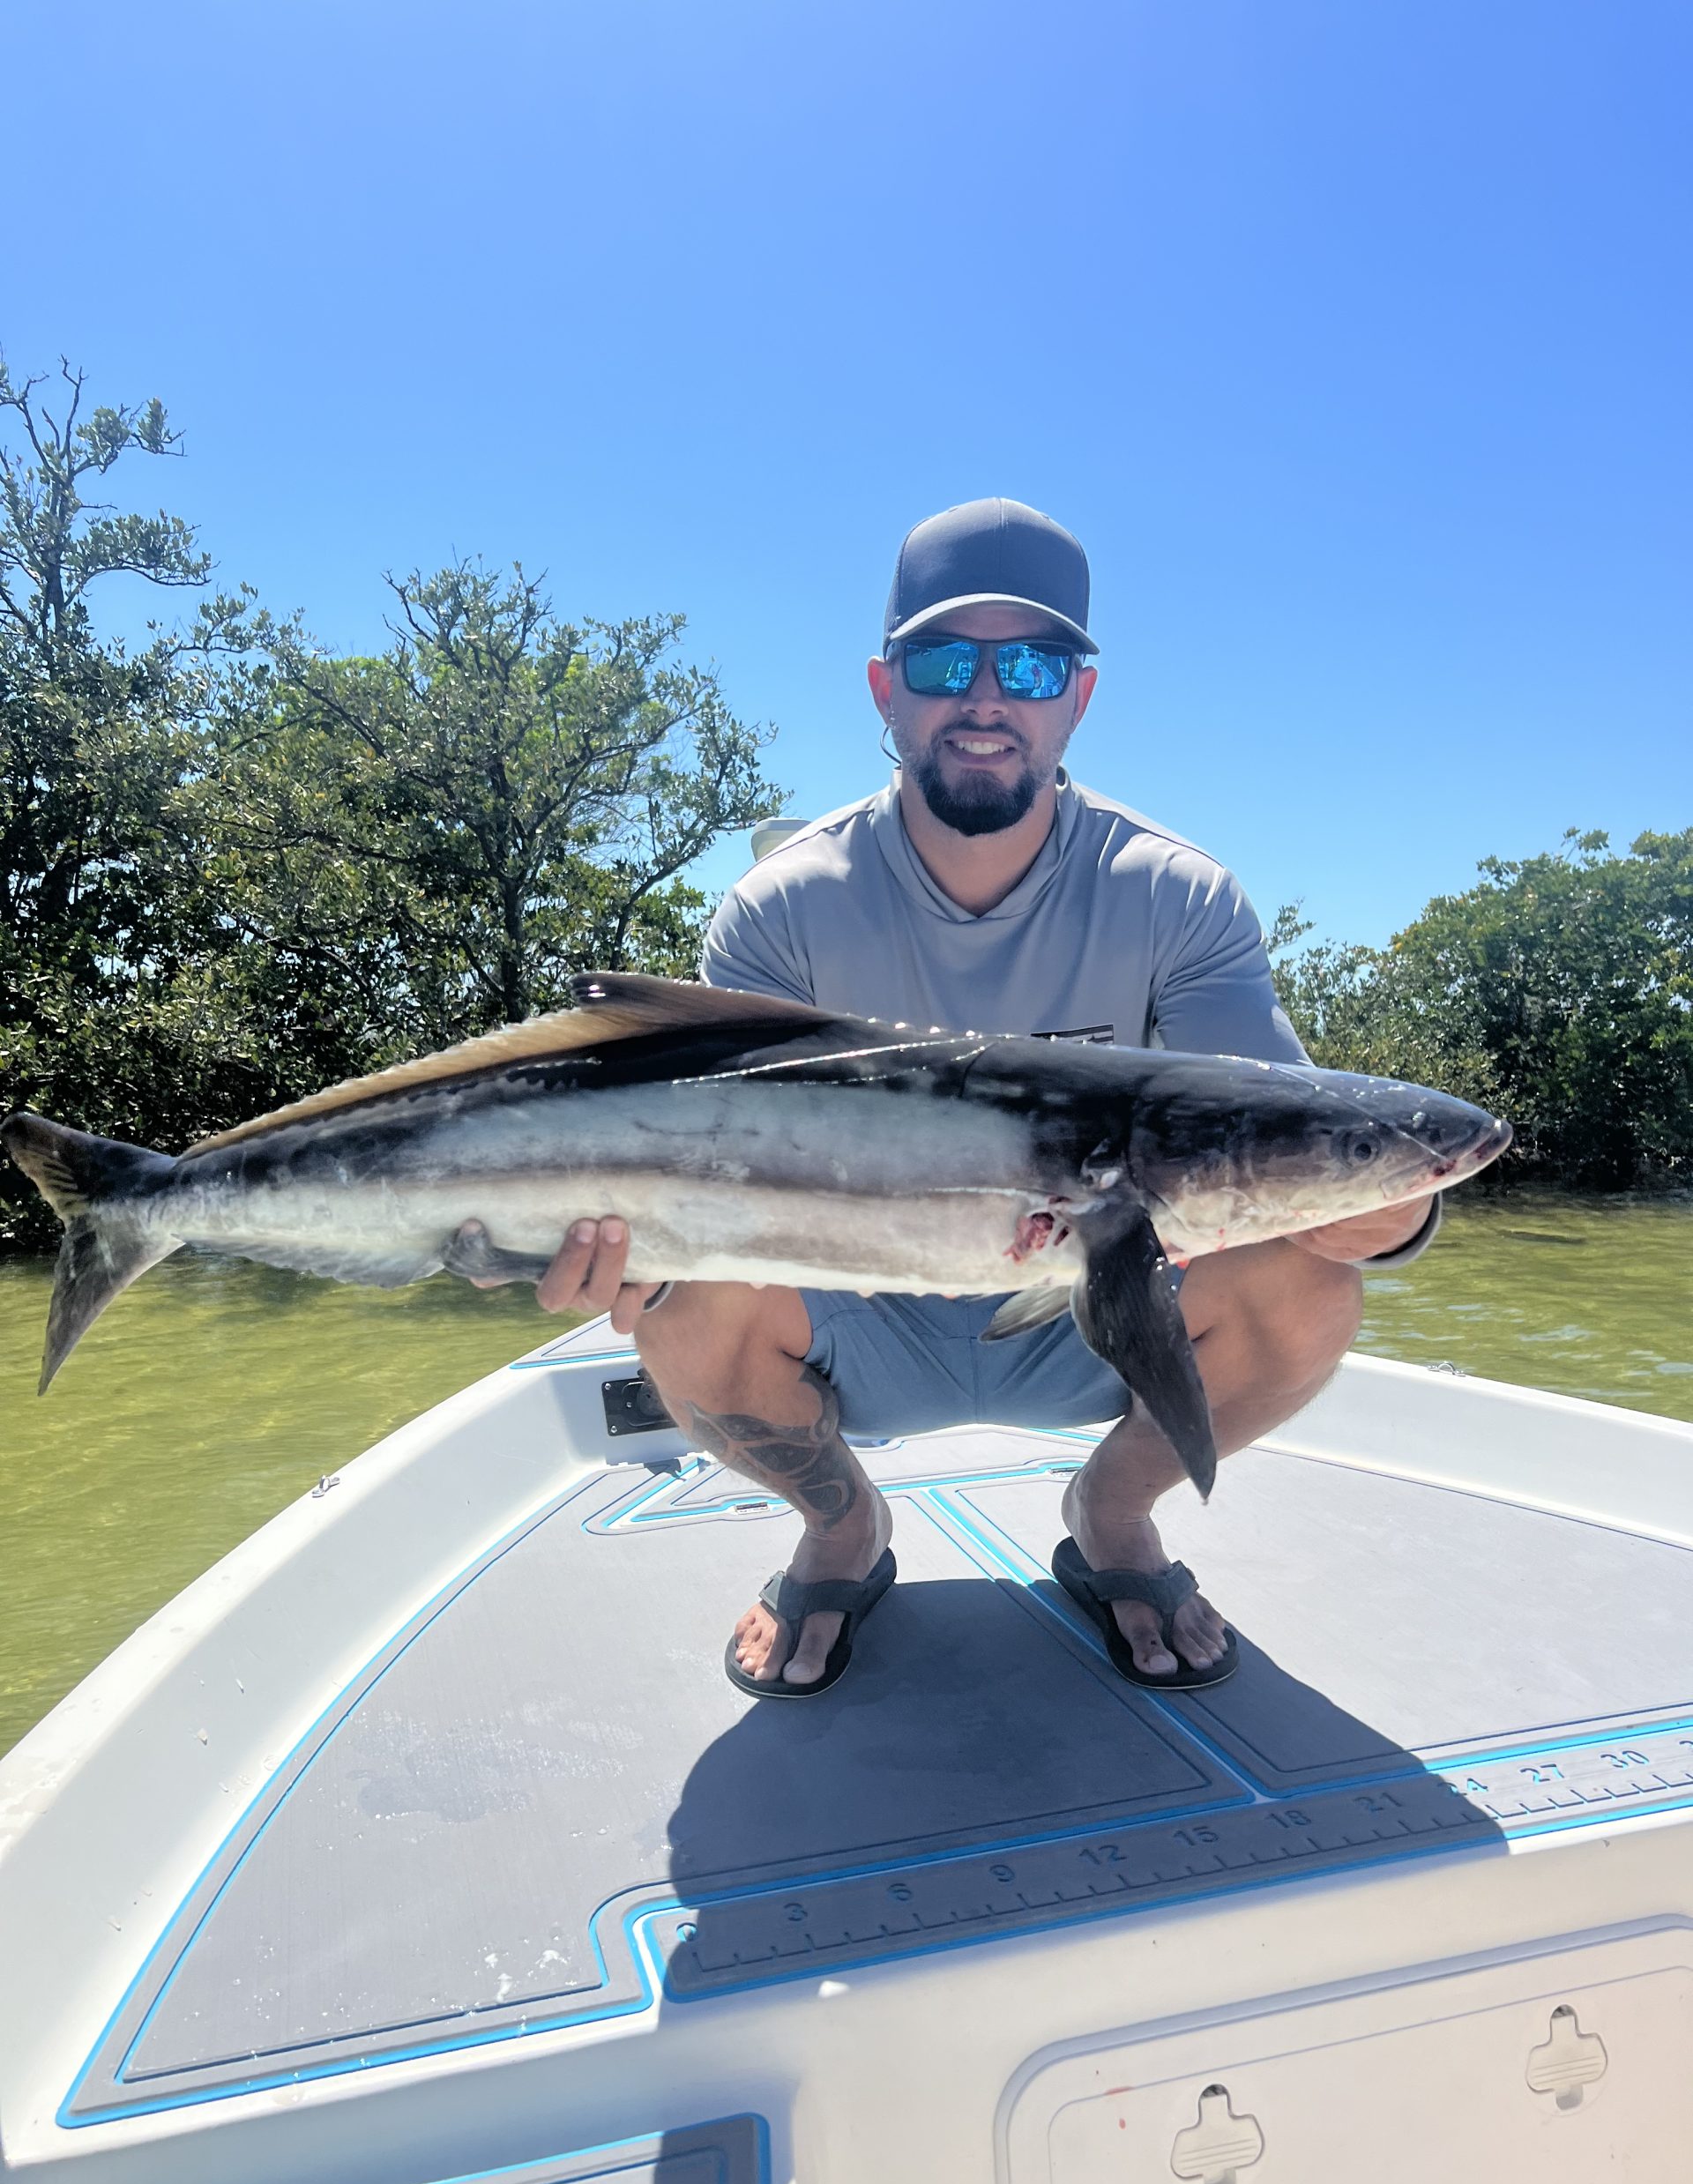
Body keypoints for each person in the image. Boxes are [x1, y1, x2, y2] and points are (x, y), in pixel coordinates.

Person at [494, 500, 1439, 1696]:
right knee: (681, 1302)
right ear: (888, 690)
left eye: (1033, 663)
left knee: (1310, 1283)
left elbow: (1279, 1131)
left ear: (1077, 697)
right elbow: (700, 1161)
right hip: (857, 1309)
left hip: (1098, 1302)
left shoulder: (1177, 896)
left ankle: (1113, 1512)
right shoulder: (783, 910)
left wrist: (1392, 1210)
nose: (987, 697)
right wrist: (629, 1252)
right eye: (948, 662)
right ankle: (843, 1530)